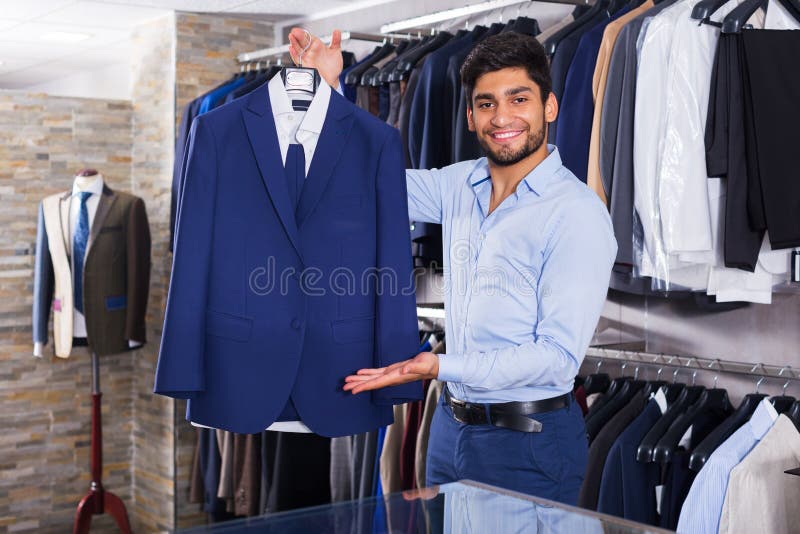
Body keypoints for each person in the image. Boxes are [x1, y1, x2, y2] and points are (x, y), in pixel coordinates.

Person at [287, 27, 617, 505]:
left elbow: (557, 357)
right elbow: (360, 180)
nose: (502, 116)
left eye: (518, 99)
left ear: (549, 107)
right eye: (486, 104)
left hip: (527, 439)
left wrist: (438, 364)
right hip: (449, 430)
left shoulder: (577, 214)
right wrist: (328, 89)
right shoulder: (460, 184)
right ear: (469, 116)